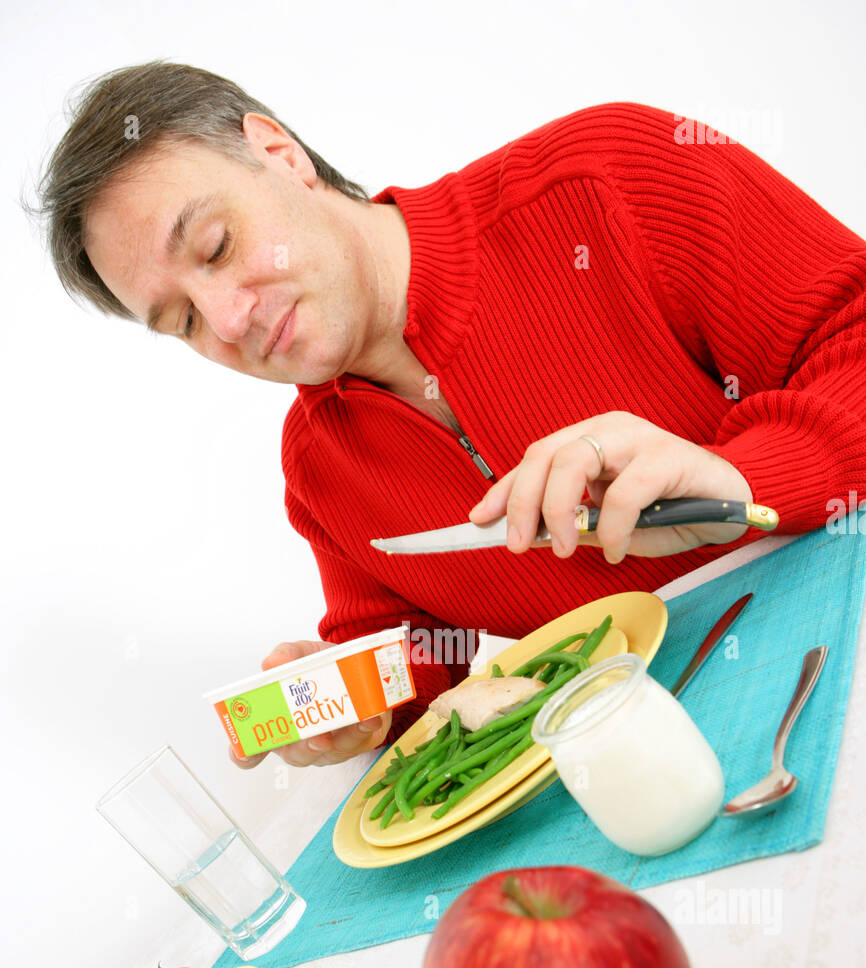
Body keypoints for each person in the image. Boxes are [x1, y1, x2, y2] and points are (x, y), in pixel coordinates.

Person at [30, 62, 866, 771]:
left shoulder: (610, 176)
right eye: (179, 321)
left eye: (215, 247)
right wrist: (360, 703)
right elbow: (425, 656)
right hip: (645, 766)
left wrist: (741, 478)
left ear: (281, 156)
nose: (226, 319)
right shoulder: (320, 470)